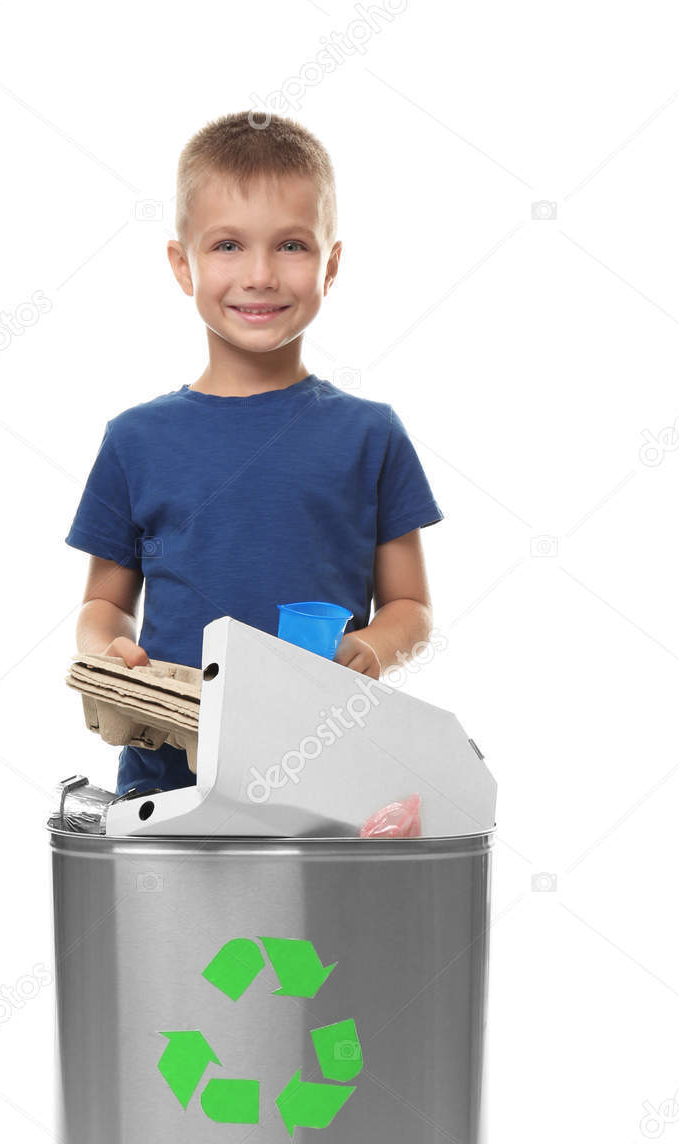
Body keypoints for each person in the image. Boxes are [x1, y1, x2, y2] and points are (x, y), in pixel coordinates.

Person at [66, 110, 443, 799]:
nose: (260, 274)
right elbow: (103, 604)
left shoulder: (371, 435)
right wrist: (106, 652)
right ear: (183, 264)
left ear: (331, 265)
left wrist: (372, 647)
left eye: (292, 245)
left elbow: (410, 604)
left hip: (327, 779)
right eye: (228, 245)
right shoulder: (134, 440)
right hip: (167, 784)